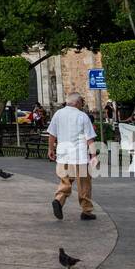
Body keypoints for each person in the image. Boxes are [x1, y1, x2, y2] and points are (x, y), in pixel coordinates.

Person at [47, 93, 97, 221]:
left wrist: (51, 149)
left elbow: (52, 134)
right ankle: (86, 210)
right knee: (84, 184)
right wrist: (93, 156)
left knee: (66, 181)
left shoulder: (58, 114)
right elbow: (89, 139)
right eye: (82, 102)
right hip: (79, 156)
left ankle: (59, 200)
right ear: (77, 102)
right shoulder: (82, 116)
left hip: (63, 156)